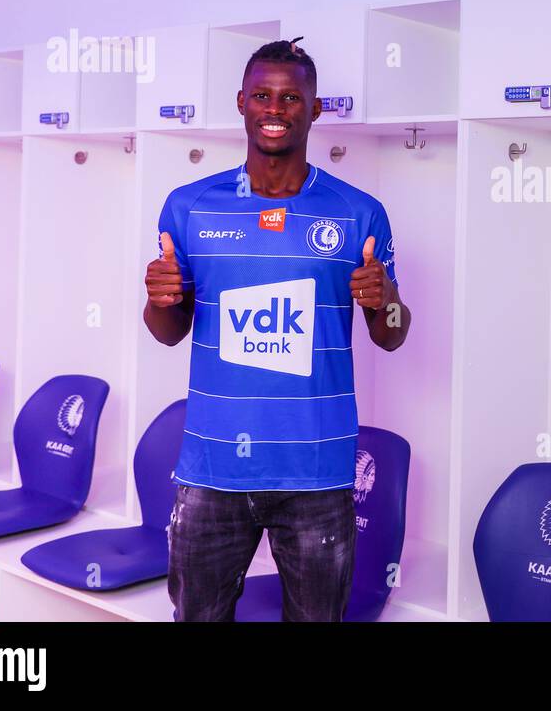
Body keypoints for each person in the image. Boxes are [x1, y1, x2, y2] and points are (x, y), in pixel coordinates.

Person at [142, 37, 411, 621]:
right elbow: (167, 331)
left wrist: (385, 300)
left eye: (291, 97)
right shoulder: (190, 207)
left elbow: (391, 334)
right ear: (241, 102)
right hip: (213, 471)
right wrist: (160, 298)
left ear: (315, 109)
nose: (275, 107)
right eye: (262, 94)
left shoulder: (357, 212)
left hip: (315, 475)